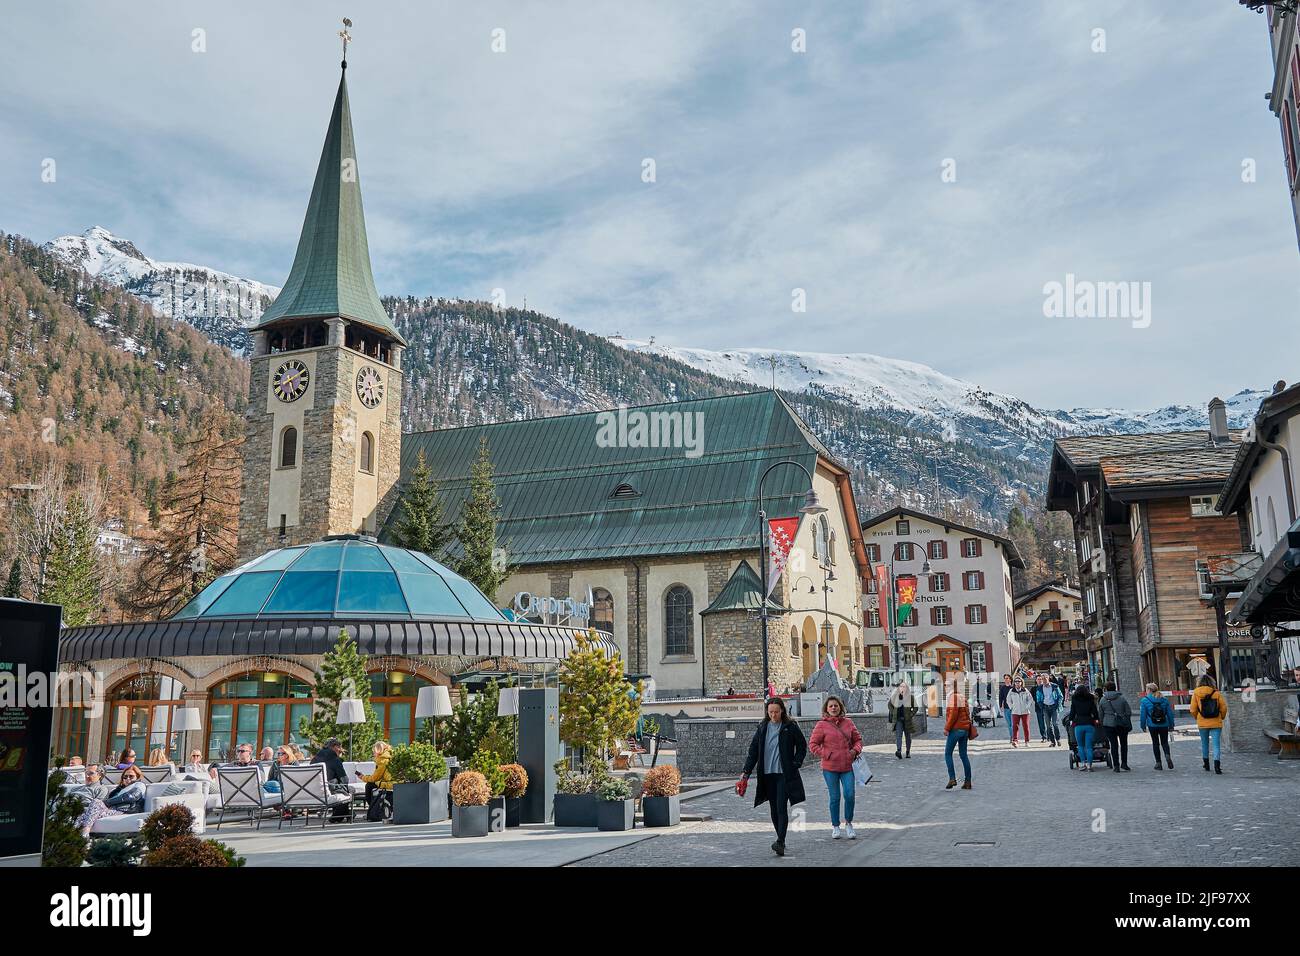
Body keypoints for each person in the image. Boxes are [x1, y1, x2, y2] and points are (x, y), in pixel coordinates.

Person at [739, 697, 807, 857]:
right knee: (773, 809)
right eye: (771, 712)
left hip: (784, 774)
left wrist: (796, 763)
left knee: (781, 806)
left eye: (776, 712)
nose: (774, 715)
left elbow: (802, 746)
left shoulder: (790, 727)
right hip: (767, 774)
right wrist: (746, 772)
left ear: (782, 710)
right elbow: (753, 751)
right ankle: (780, 837)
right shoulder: (762, 727)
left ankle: (780, 841)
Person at [808, 696, 862, 840]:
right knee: (835, 797)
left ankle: (849, 823)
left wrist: (854, 751)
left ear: (840, 707)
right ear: (826, 708)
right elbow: (813, 745)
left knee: (850, 795)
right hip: (830, 767)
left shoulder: (848, 723)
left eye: (836, 706)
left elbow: (858, 740)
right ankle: (836, 826)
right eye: (831, 706)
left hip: (847, 766)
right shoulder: (821, 725)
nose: (833, 708)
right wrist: (827, 754)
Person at [75, 764, 147, 837]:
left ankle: (85, 833)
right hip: (112, 810)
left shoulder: (139, 785)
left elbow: (130, 797)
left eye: (131, 776)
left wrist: (106, 802)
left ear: (137, 777)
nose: (128, 778)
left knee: (96, 802)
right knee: (84, 814)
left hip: (126, 810)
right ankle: (71, 836)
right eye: (125, 777)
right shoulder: (118, 790)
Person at [1191, 675, 1227, 774]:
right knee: (1216, 745)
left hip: (1202, 722)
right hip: (1216, 722)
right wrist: (1222, 717)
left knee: (1204, 743)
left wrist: (1197, 717)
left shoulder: (1196, 693)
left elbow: (1193, 709)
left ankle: (1206, 764)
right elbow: (1223, 708)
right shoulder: (1216, 693)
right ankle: (1217, 766)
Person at [313, 738, 352, 821]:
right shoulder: (335, 760)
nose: (340, 750)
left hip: (314, 791)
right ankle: (340, 816)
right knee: (343, 789)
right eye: (339, 748)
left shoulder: (314, 760)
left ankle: (346, 814)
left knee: (339, 786)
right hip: (328, 789)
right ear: (334, 747)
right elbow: (344, 779)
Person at [1139, 682, 1175, 770]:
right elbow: (1170, 713)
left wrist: (1143, 725)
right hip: (1164, 724)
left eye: (1146, 689)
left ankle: (1158, 763)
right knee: (1165, 742)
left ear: (1149, 690)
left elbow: (1143, 715)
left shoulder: (1145, 700)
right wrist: (1171, 725)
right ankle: (1167, 755)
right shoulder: (1164, 699)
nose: (1146, 691)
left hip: (1152, 725)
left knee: (1155, 743)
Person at [943, 686, 973, 790]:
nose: (945, 687)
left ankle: (952, 778)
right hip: (964, 729)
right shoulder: (962, 696)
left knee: (947, 754)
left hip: (956, 729)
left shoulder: (953, 697)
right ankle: (968, 781)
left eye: (947, 685)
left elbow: (953, 715)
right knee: (964, 755)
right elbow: (967, 713)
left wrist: (947, 728)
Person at [1098, 682, 1132, 772]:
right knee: (1124, 744)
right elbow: (1128, 712)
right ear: (1115, 688)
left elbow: (1100, 714)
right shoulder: (1122, 698)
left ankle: (1116, 765)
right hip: (1121, 724)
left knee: (1114, 745)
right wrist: (1124, 717)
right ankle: (1124, 763)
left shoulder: (1103, 700)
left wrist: (1102, 723)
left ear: (1106, 689)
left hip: (1108, 725)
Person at [358, 741, 394, 821]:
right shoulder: (390, 756)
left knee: (369, 785)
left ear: (378, 751)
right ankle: (373, 810)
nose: (373, 754)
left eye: (374, 752)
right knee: (371, 785)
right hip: (394, 781)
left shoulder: (382, 760)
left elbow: (375, 778)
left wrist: (363, 777)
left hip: (389, 783)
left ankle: (373, 810)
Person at [1067, 685, 1101, 771]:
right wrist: (1096, 719)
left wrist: (1071, 720)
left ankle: (1083, 764)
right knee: (1089, 746)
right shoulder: (1090, 699)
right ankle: (1089, 765)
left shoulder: (1075, 699)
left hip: (1078, 724)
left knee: (1080, 746)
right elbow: (1094, 711)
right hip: (1089, 723)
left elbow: (1072, 712)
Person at [888, 679, 918, 758]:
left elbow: (916, 707)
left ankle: (908, 752)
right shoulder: (895, 696)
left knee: (908, 736)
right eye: (901, 687)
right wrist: (893, 712)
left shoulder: (910, 697)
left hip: (907, 720)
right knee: (898, 735)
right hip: (898, 720)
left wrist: (910, 715)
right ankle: (899, 751)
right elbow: (889, 705)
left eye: (904, 687)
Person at [1006, 677, 1034, 747]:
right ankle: (1015, 741)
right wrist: (1012, 707)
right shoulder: (1011, 691)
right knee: (1015, 726)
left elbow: (1030, 699)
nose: (1017, 683)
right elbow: (1008, 700)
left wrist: (1027, 706)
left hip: (1025, 712)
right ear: (1014, 683)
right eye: (1016, 681)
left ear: (1021, 682)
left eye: (1019, 681)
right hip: (1015, 712)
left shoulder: (1025, 690)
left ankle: (1027, 741)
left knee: (1026, 726)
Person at [1036, 675, 1063, 747]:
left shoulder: (1055, 686)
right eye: (1042, 679)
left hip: (1054, 707)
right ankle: (1052, 741)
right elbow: (1038, 699)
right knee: (1048, 726)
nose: (1044, 680)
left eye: (1045, 678)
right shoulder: (1039, 688)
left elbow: (1060, 696)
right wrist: (1042, 706)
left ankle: (1058, 739)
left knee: (1055, 724)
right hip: (1045, 707)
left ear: (1048, 679)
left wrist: (1058, 705)